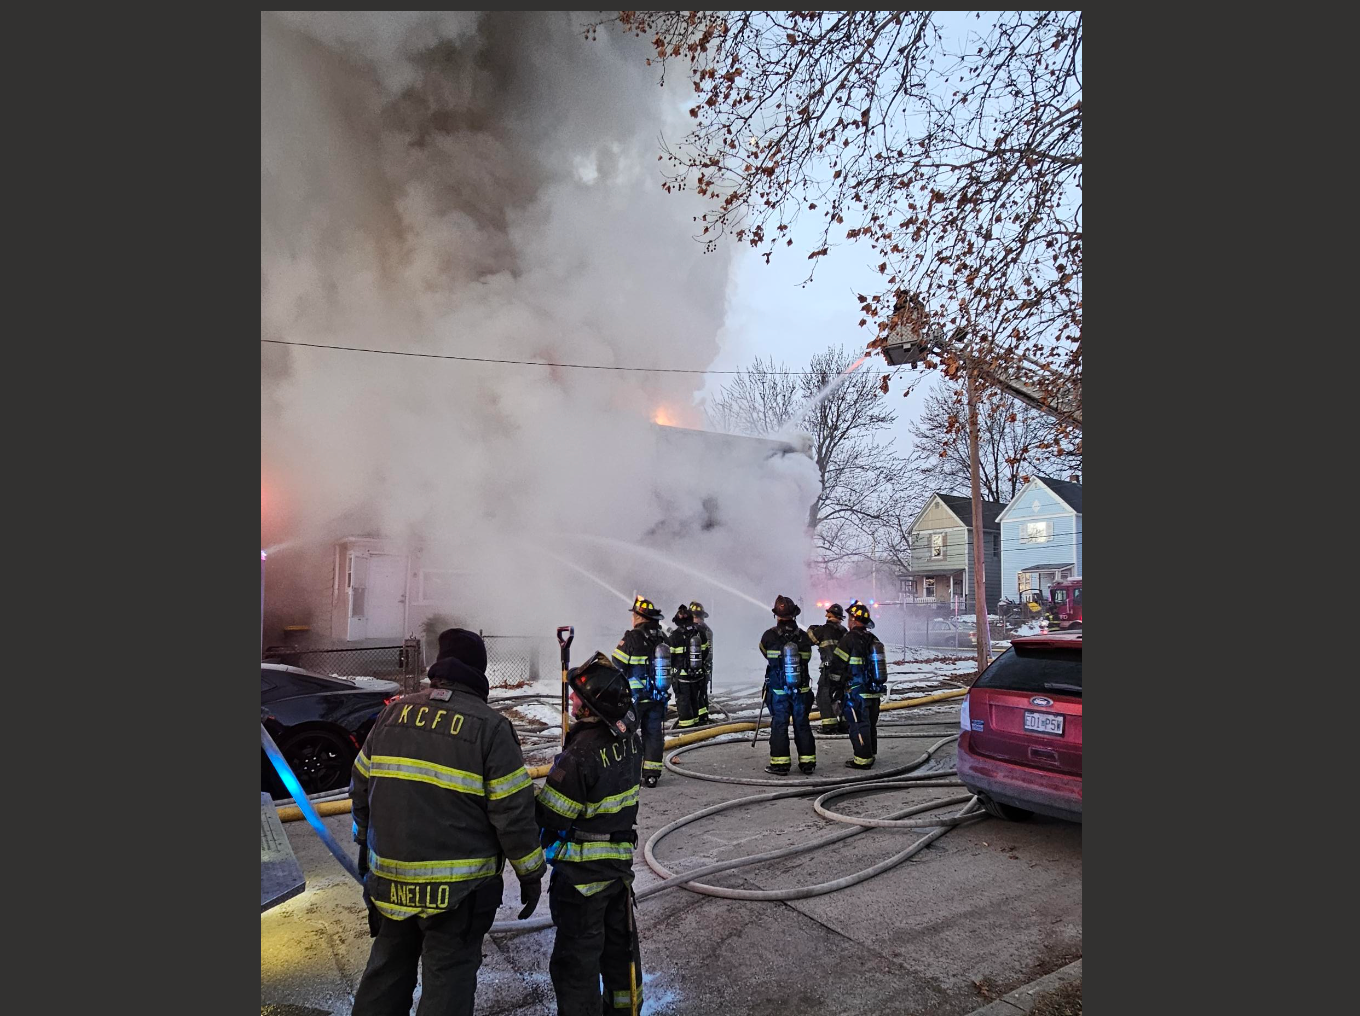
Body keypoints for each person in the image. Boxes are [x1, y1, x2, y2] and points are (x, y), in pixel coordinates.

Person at [349, 628, 545, 1016]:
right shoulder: (490, 727)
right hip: (456, 893)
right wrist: (531, 873)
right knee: (448, 981)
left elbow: (360, 792)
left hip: (389, 883)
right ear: (479, 671)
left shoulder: (391, 714)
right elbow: (513, 814)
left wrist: (367, 851)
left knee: (386, 971)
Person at [537, 652, 646, 1016]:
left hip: (581, 881)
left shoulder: (581, 754)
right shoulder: (632, 739)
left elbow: (552, 814)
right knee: (620, 956)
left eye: (577, 699)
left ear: (592, 707)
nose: (572, 702)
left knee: (575, 969)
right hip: (618, 873)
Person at [612, 596, 669, 787]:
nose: (632, 618)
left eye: (634, 615)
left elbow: (617, 664)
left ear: (640, 617)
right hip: (657, 696)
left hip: (635, 698)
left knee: (626, 733)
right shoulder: (662, 637)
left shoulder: (632, 637)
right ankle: (652, 773)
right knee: (653, 733)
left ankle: (627, 772)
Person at [758, 595, 816, 775]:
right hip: (801, 690)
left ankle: (780, 765)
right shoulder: (804, 637)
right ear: (794, 615)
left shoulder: (769, 635)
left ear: (777, 615)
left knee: (779, 725)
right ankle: (808, 763)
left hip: (778, 691)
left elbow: (765, 653)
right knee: (802, 724)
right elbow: (807, 658)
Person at [829, 602, 890, 770]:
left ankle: (862, 759)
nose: (848, 622)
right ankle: (870, 753)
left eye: (849, 619)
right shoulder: (873, 639)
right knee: (870, 723)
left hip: (856, 691)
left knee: (858, 724)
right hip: (873, 691)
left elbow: (837, 665)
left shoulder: (848, 639)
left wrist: (834, 686)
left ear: (854, 620)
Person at [807, 602, 849, 735]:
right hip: (844, 670)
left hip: (829, 669)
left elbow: (808, 640)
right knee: (842, 696)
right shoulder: (844, 631)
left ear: (828, 615)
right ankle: (845, 724)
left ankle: (829, 726)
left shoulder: (823, 630)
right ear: (840, 618)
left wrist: (810, 628)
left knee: (823, 696)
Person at [667, 604, 707, 730]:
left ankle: (687, 731)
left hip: (682, 678)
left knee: (684, 704)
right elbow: (705, 653)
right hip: (697, 676)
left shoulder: (674, 636)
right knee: (695, 701)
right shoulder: (700, 633)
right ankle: (697, 726)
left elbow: (669, 658)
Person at [688, 601, 714, 724]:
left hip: (701, 670)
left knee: (699, 696)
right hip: (698, 670)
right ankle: (701, 718)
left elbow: (707, 654)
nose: (696, 620)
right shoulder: (699, 630)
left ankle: (700, 721)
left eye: (697, 617)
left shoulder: (703, 631)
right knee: (698, 696)